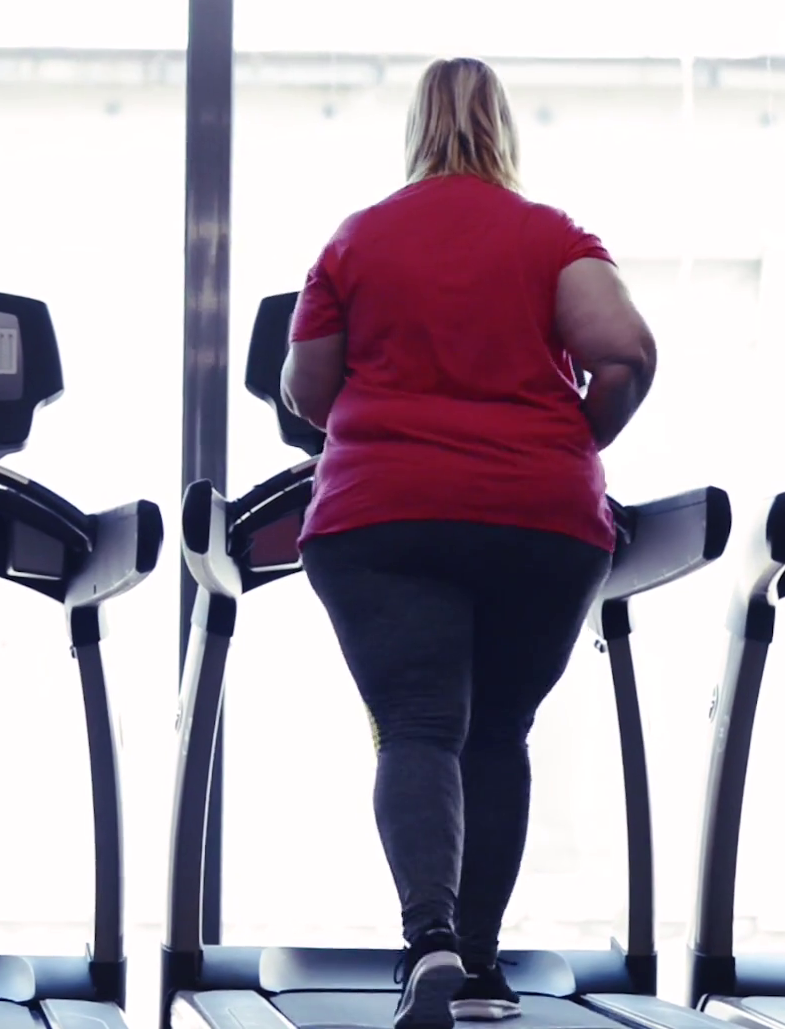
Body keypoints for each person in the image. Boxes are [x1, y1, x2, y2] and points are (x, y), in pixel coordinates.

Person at [280, 56, 656, 1029]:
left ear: (415, 127)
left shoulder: (358, 241)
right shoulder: (551, 238)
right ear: (503, 129)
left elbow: (306, 393)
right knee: (496, 733)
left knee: (418, 725)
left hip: (385, 515)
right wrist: (578, 436)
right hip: (542, 519)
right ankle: (481, 967)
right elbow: (626, 353)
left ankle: (430, 941)